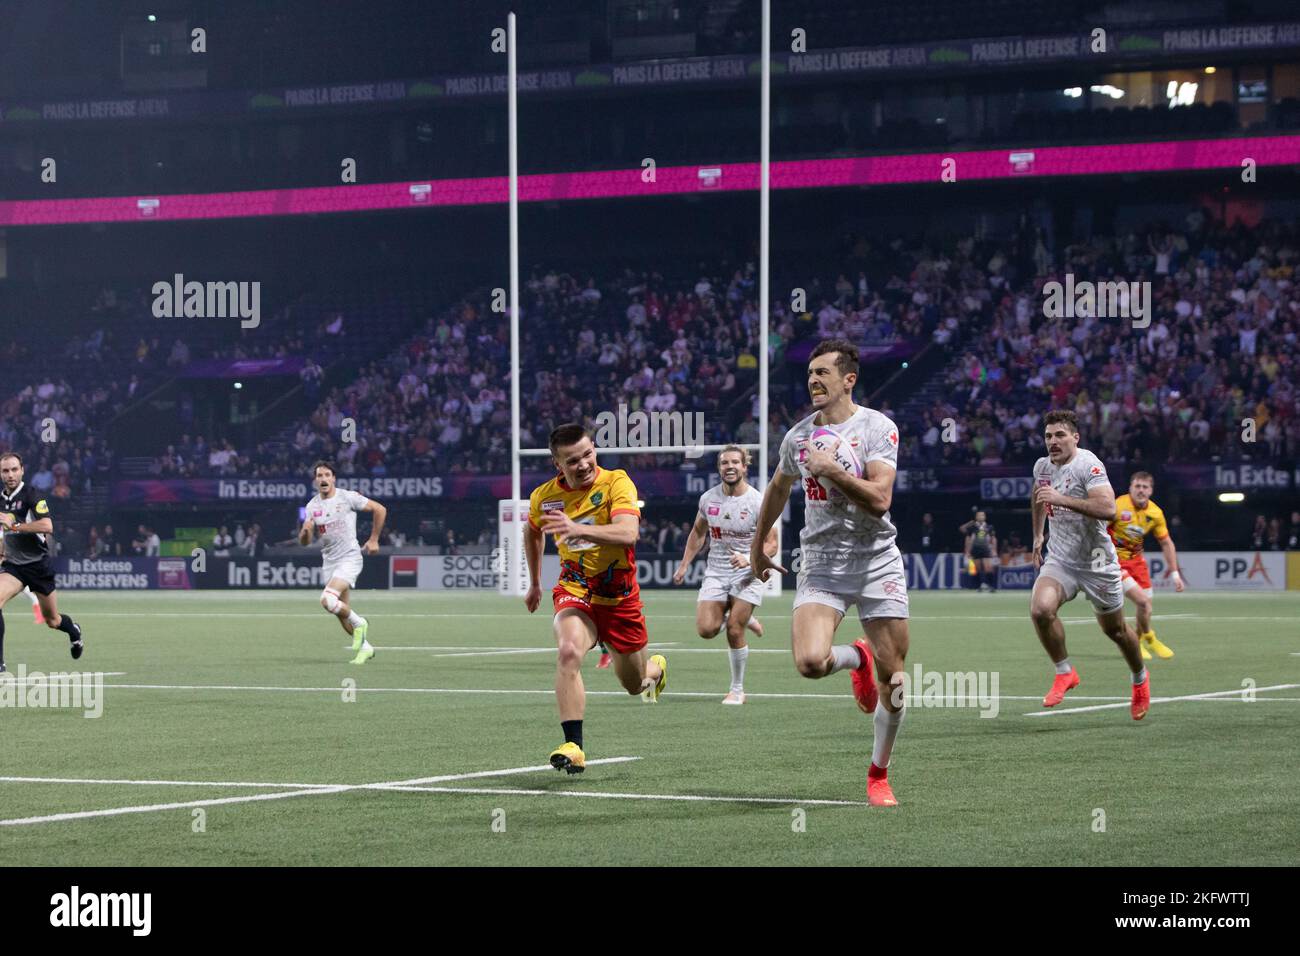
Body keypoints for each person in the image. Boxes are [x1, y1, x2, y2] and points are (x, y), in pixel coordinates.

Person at [749, 339, 909, 807]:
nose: (814, 381)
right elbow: (777, 490)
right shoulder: (797, 438)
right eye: (809, 374)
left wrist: (831, 470)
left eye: (823, 373)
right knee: (809, 663)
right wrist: (760, 545)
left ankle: (878, 773)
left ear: (848, 380)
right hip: (821, 562)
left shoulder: (878, 428)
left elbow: (880, 500)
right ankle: (855, 658)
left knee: (895, 681)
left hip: (877, 559)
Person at [523, 424, 666, 775]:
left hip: (619, 599)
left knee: (635, 686)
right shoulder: (544, 497)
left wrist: (578, 529)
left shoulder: (617, 482)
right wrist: (535, 583)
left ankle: (656, 671)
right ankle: (573, 746)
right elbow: (532, 531)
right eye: (573, 460)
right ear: (558, 464)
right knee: (569, 651)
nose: (584, 464)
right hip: (576, 590)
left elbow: (628, 533)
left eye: (588, 454)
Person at [1030, 411, 1149, 720]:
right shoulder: (1042, 467)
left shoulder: (1088, 465)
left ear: (1075, 438)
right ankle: (1064, 671)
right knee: (1041, 610)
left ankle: (1139, 679)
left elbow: (1109, 509)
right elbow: (1039, 496)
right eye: (1048, 436)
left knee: (1117, 631)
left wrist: (1062, 498)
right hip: (1061, 559)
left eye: (1059, 435)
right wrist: (1037, 535)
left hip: (1098, 562)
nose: (1053, 442)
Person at [673, 445, 777, 704]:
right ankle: (741, 617)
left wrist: (750, 559)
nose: (729, 467)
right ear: (719, 467)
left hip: (749, 573)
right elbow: (698, 533)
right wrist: (685, 564)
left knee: (733, 629)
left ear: (744, 467)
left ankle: (737, 690)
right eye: (724, 463)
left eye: (734, 462)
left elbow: (772, 544)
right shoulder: (709, 498)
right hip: (717, 571)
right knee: (706, 630)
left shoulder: (758, 501)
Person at [0, 452, 84, 675]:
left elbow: (47, 526)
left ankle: (74, 632)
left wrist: (15, 525)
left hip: (38, 566)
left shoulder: (33, 495)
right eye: (5, 471)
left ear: (22, 470)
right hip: (14, 566)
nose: (10, 475)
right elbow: (3, 532)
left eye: (14, 469)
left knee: (52, 620)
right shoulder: (1, 498)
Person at [299, 461, 387, 665]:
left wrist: (374, 539)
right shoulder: (312, 506)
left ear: (333, 478)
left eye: (327, 475)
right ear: (315, 480)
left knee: (327, 600)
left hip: (349, 558)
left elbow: (380, 509)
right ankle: (366, 647)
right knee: (340, 612)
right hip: (329, 562)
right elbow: (304, 542)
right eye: (319, 475)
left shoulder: (347, 497)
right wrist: (305, 531)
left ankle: (361, 623)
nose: (323, 479)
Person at [1107, 471, 1184, 661]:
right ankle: (1149, 637)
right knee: (1142, 601)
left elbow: (1166, 543)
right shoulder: (1118, 505)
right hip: (1114, 563)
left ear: (1151, 491)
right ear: (1130, 488)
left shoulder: (1156, 513)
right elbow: (1097, 530)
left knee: (1147, 608)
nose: (1141, 490)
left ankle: (1139, 640)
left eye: (1145, 487)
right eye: (1137, 486)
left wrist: (1175, 573)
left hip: (1137, 562)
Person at [960, 510, 998, 591]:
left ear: (985, 517)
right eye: (979, 515)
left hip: (986, 548)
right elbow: (963, 531)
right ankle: (979, 586)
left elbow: (993, 539)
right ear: (976, 517)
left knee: (988, 567)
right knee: (977, 568)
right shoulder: (972, 527)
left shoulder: (989, 527)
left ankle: (991, 586)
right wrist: (967, 550)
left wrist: (994, 550)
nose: (981, 517)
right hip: (975, 549)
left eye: (982, 515)